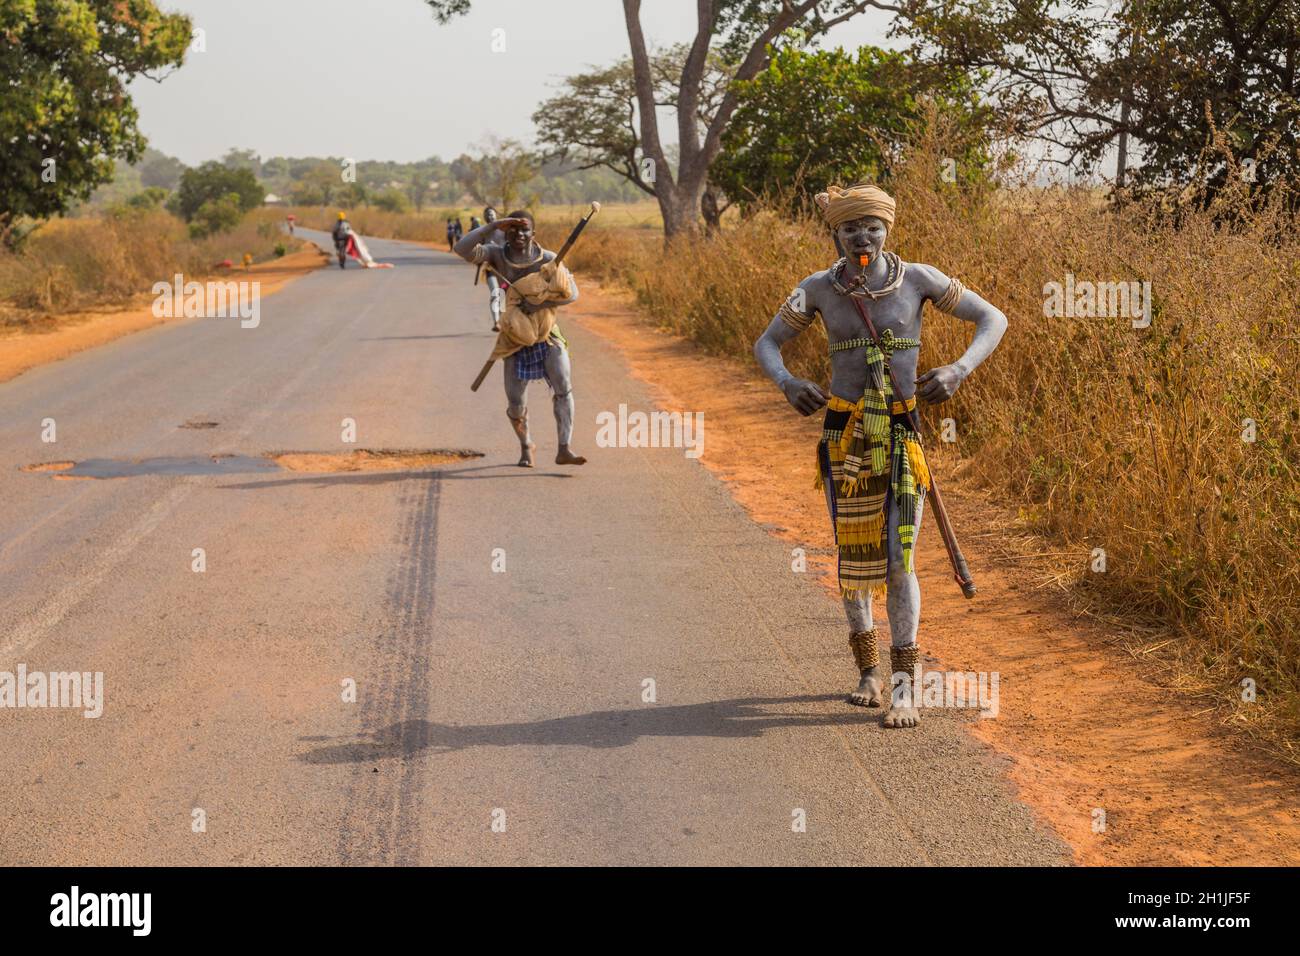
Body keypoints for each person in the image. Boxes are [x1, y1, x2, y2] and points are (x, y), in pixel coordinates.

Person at [753, 183, 1007, 728]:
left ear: (888, 230)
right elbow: (767, 343)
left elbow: (994, 320)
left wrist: (958, 370)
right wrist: (787, 382)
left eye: (871, 228)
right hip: (845, 435)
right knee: (854, 553)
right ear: (835, 234)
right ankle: (867, 670)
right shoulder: (818, 289)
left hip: (900, 431)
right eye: (849, 229)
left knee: (899, 557)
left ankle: (903, 686)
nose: (861, 238)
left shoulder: (919, 279)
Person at [454, 210, 587, 468]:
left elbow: (572, 294)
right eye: (513, 230)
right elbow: (462, 248)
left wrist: (539, 305)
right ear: (505, 232)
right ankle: (526, 444)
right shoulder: (495, 254)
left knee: (564, 388)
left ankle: (564, 448)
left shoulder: (548, 259)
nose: (519, 235)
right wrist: (493, 225)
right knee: (515, 403)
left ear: (533, 234)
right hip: (514, 335)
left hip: (547, 333)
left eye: (525, 230)